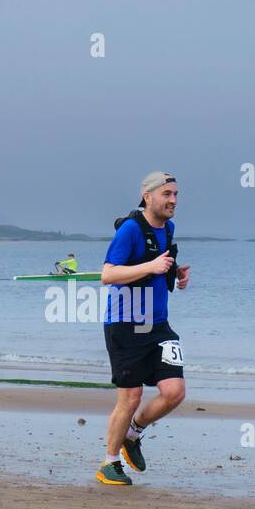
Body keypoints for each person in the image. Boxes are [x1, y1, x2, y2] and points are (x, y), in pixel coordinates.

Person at [96, 171, 191, 486]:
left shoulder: (169, 228)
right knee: (131, 396)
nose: (173, 200)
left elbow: (158, 262)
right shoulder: (130, 230)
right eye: (167, 194)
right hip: (124, 325)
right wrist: (152, 267)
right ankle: (109, 463)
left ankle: (133, 435)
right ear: (148, 196)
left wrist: (176, 273)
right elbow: (108, 274)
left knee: (175, 392)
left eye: (176, 194)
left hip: (158, 325)